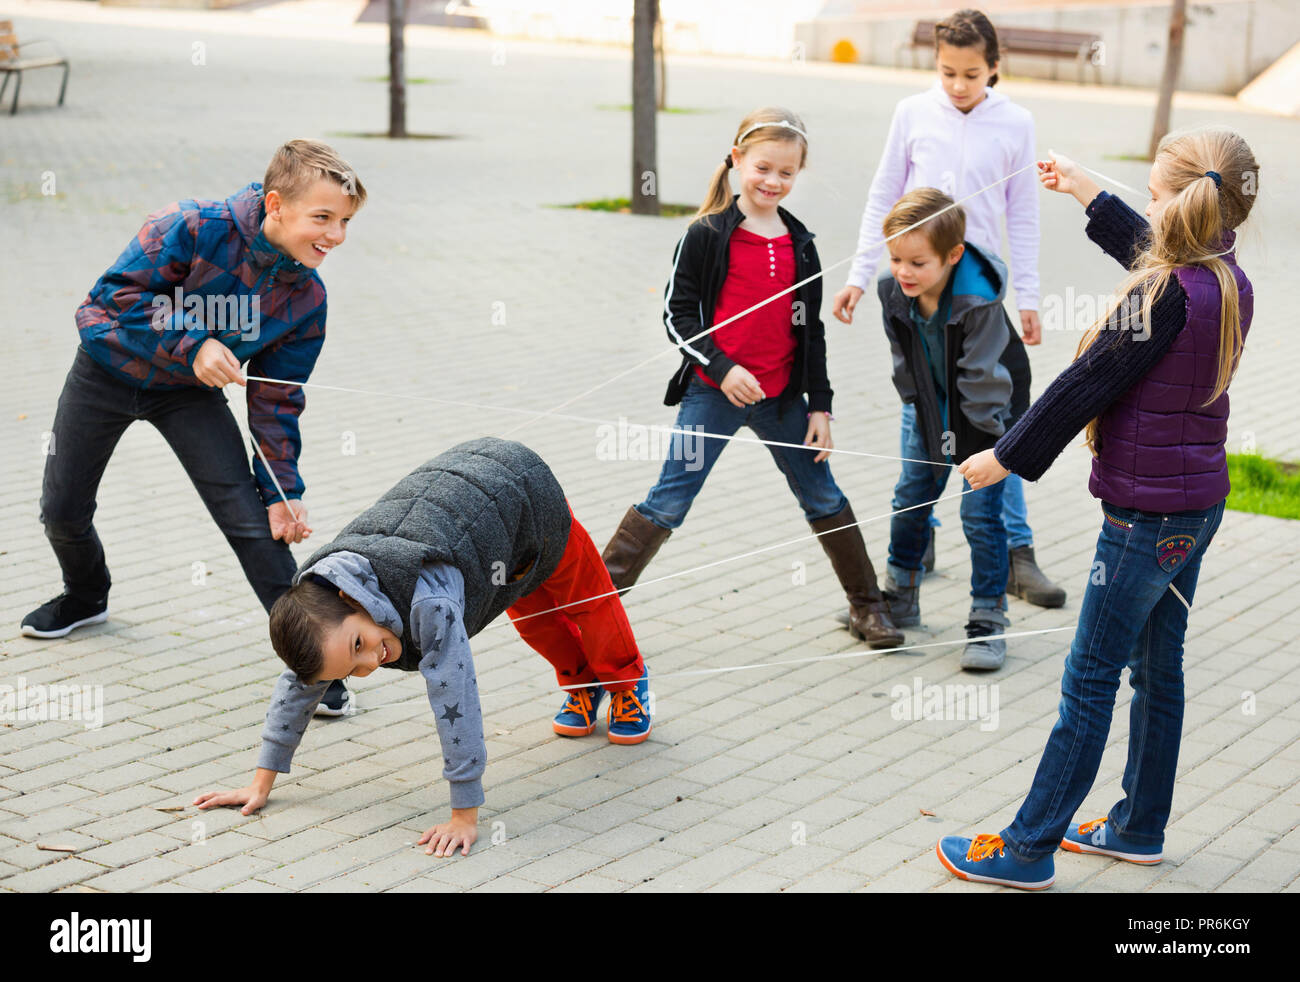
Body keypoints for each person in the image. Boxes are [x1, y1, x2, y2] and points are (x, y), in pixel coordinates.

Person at [937, 128, 1257, 889]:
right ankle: (1138, 829)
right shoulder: (1225, 273)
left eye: (1153, 193)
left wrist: (1005, 455)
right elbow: (1155, 250)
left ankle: (1027, 848)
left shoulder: (1163, 295)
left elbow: (1083, 385)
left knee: (1089, 680)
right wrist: (1085, 187)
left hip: (1144, 524)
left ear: (1182, 205)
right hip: (1195, 511)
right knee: (1158, 671)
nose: (1147, 208)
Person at [22, 140, 364, 715]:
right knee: (61, 509)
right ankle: (85, 595)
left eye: (346, 222)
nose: (336, 235)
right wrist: (194, 342)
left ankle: (318, 660)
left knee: (255, 525)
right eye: (323, 218)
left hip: (186, 396)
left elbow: (276, 401)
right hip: (104, 375)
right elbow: (111, 299)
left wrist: (285, 492)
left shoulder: (306, 298)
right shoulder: (189, 226)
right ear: (277, 204)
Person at [195, 438, 652, 858]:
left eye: (360, 644)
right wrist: (261, 780)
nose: (371, 663)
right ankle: (582, 684)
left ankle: (627, 684)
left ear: (351, 599)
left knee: (589, 604)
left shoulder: (429, 602)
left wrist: (463, 815)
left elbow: (456, 698)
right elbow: (299, 686)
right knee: (536, 623)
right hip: (492, 539)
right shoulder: (316, 605)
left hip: (531, 501)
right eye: (351, 671)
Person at [601, 107, 903, 649]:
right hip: (713, 396)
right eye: (764, 168)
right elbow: (678, 315)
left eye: (787, 173)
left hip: (783, 400)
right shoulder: (706, 234)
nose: (773, 182)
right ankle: (591, 607)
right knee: (668, 501)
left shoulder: (800, 244)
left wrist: (820, 407)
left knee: (823, 496)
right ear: (738, 160)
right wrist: (722, 367)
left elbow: (811, 336)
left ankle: (867, 606)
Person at [831, 7, 1066, 609]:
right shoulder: (912, 113)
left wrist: (1031, 296)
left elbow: (1022, 211)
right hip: (921, 292)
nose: (959, 86)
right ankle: (918, 542)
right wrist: (861, 274)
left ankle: (1016, 555)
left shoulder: (1015, 122)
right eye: (947, 73)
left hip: (980, 299)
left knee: (990, 419)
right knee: (927, 415)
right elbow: (884, 194)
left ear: (994, 68)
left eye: (971, 74)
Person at [876, 188, 1029, 669]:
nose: (904, 272)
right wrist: (920, 416)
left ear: (953, 255)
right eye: (897, 259)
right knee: (910, 497)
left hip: (987, 414)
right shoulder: (892, 290)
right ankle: (899, 596)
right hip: (926, 406)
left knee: (980, 517)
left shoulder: (976, 301)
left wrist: (975, 452)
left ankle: (988, 617)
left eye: (918, 263)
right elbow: (903, 360)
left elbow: (983, 379)